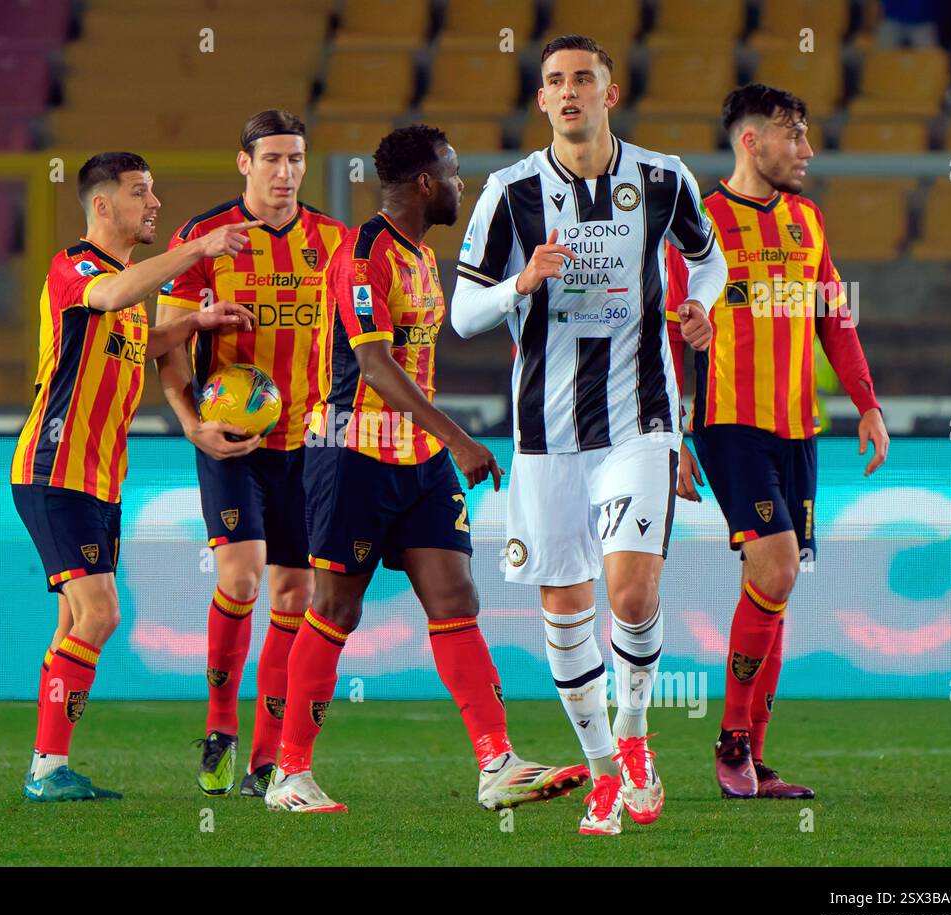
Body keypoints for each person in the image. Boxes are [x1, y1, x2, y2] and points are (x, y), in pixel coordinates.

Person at [265, 125, 589, 814]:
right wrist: (462, 440)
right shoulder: (363, 256)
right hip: (351, 454)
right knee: (334, 608)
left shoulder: (418, 254)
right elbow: (376, 366)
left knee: (456, 598)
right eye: (453, 170)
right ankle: (289, 774)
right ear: (423, 184)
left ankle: (497, 764)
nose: (461, 182)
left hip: (418, 461)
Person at [450, 35, 726, 835]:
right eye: (555, 82)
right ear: (541, 101)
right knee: (565, 608)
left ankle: (636, 737)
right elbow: (460, 314)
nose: (569, 92)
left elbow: (705, 262)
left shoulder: (664, 176)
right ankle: (604, 771)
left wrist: (703, 305)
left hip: (640, 419)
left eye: (584, 79)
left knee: (631, 591)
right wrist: (520, 283)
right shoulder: (509, 192)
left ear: (610, 92)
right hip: (545, 433)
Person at [664, 83, 889, 799]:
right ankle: (732, 739)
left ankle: (755, 761)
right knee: (778, 569)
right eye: (795, 133)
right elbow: (670, 329)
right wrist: (674, 430)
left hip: (799, 430)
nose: (808, 150)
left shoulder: (807, 220)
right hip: (731, 424)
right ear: (751, 141)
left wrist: (867, 404)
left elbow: (835, 320)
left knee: (774, 589)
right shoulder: (699, 221)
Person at [11, 152, 257, 802]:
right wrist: (199, 246)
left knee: (73, 622)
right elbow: (116, 296)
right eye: (140, 192)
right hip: (54, 468)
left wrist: (194, 324)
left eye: (154, 190)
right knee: (100, 612)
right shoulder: (80, 269)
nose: (154, 203)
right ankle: (46, 770)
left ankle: (46, 763)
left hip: (98, 479)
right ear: (102, 205)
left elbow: (130, 346)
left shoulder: (120, 284)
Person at [155, 110, 347, 798]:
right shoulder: (204, 242)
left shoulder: (333, 242)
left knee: (295, 593)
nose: (286, 172)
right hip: (229, 438)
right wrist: (190, 423)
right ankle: (219, 727)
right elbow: (162, 345)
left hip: (310, 446)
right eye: (271, 159)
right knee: (241, 579)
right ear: (244, 163)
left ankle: (267, 759)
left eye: (295, 159)